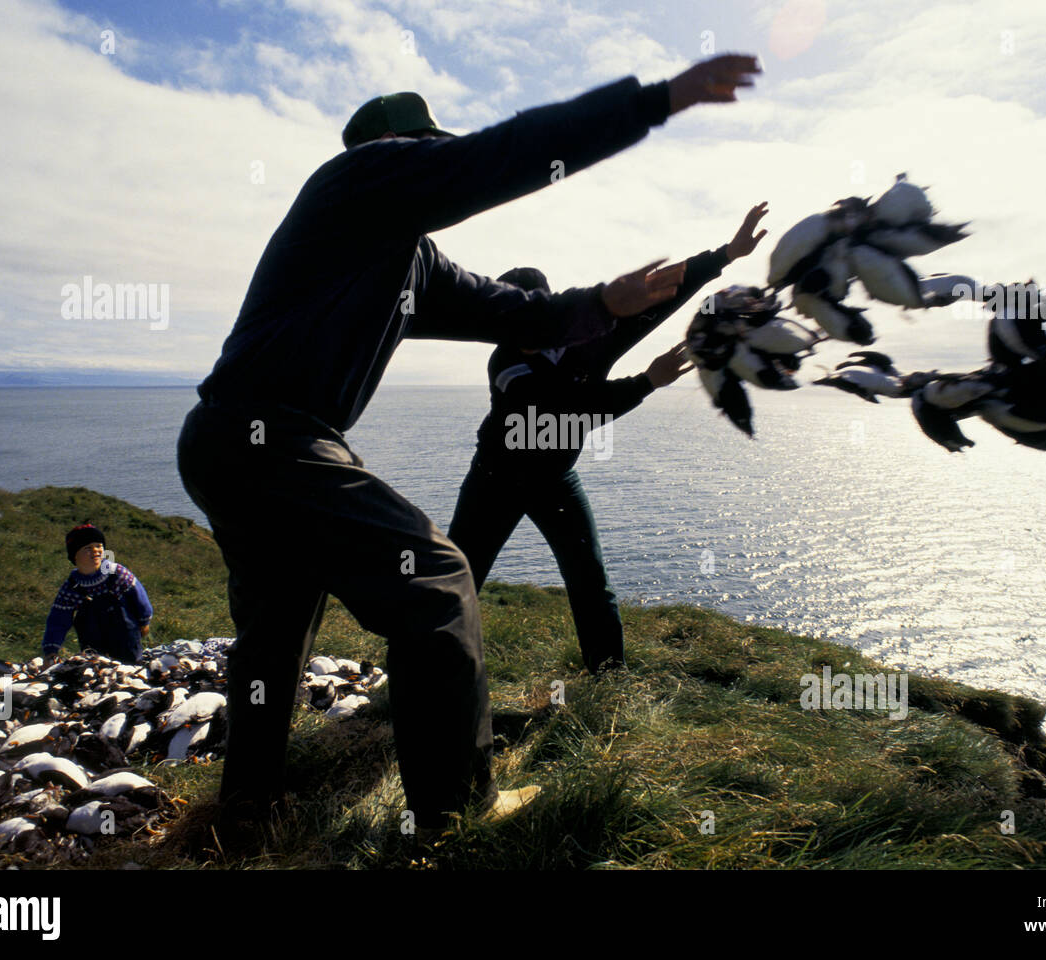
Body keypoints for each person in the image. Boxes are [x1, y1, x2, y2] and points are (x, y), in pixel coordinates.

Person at [174, 53, 763, 839]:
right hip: (268, 437)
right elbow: (500, 156)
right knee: (439, 579)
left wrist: (604, 301)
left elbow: (517, 310)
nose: (433, 168)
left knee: (278, 629)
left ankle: (242, 818)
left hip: (233, 443)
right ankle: (458, 812)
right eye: (427, 153)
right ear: (397, 152)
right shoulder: (357, 184)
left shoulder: (408, 259)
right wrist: (651, 102)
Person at [448, 204, 769, 673]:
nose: (519, 328)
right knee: (460, 578)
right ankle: (427, 675)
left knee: (589, 581)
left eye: (530, 314)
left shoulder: (585, 338)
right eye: (509, 319)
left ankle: (608, 681)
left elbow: (653, 298)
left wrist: (725, 255)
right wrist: (647, 382)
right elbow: (565, 413)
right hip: (495, 480)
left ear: (549, 309)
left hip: (555, 478)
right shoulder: (506, 366)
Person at [42, 522, 153, 663]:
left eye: (99, 546)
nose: (96, 551)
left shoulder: (117, 573)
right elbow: (58, 620)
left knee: (130, 671)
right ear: (74, 555)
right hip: (93, 650)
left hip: (127, 644)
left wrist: (144, 622)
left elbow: (140, 598)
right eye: (88, 548)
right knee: (98, 674)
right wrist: (51, 650)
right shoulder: (72, 587)